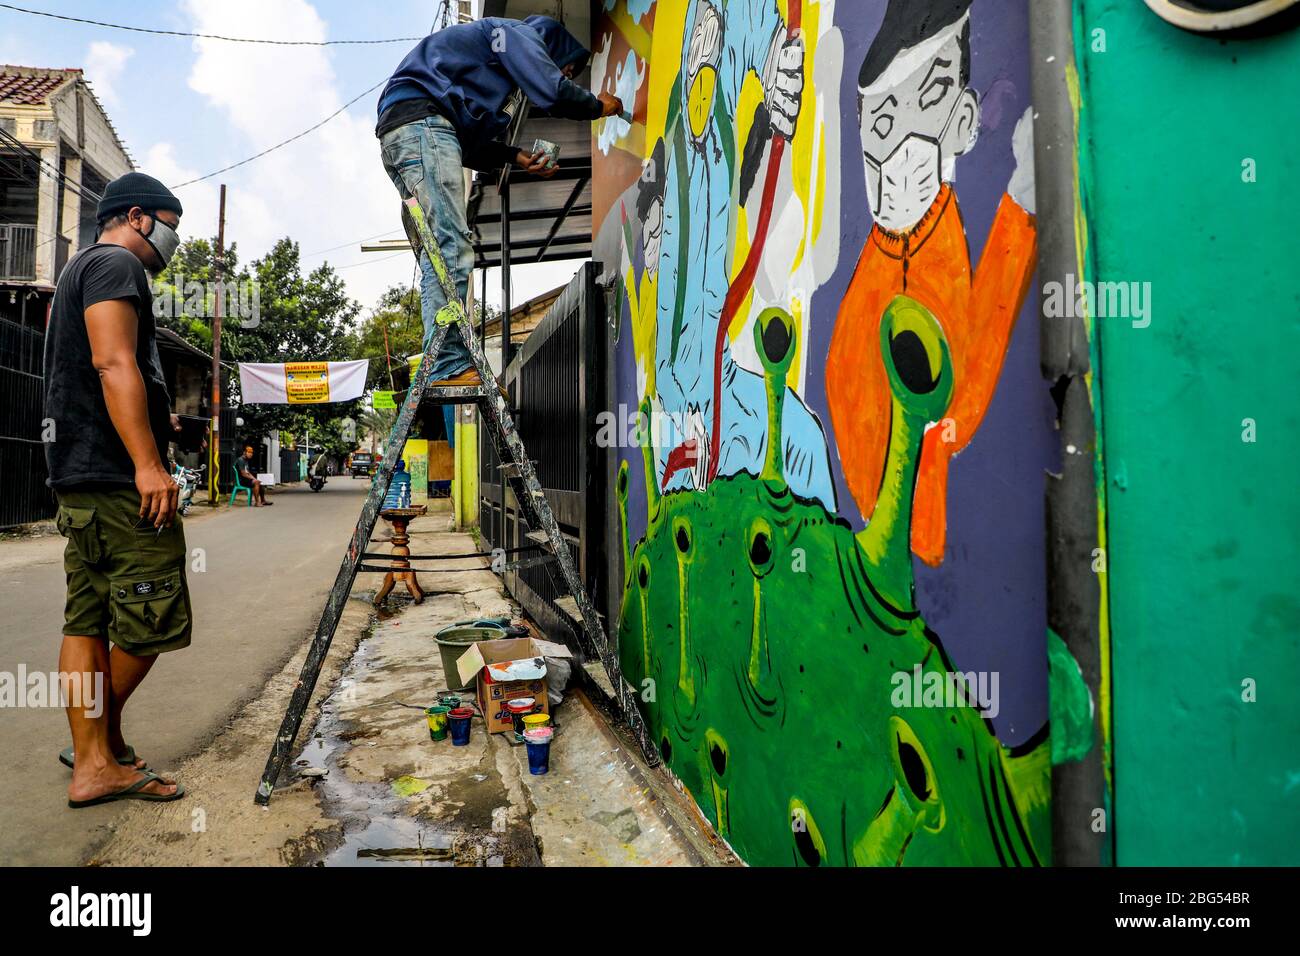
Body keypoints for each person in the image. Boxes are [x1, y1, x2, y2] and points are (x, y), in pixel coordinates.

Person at [826, 0, 1037, 566]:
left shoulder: (944, 249)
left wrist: (1018, 212)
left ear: (964, 123)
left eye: (931, 98)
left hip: (920, 541)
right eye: (884, 117)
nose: (900, 144)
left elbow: (963, 388)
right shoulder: (876, 261)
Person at [43, 171, 190, 807]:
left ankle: (99, 752)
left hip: (79, 477)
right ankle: (95, 752)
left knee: (87, 619)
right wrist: (148, 464)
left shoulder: (78, 271)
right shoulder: (114, 266)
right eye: (169, 228)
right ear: (137, 216)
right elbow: (112, 362)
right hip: (114, 479)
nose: (170, 243)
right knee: (152, 617)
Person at [376, 14, 623, 390]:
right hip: (422, 126)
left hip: (407, 132)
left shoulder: (493, 65)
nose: (565, 76)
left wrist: (515, 157)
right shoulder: (518, 34)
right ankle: (445, 366)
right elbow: (554, 91)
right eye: (568, 69)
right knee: (449, 246)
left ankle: (442, 362)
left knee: (438, 253)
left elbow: (468, 145)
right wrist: (597, 106)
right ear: (554, 49)